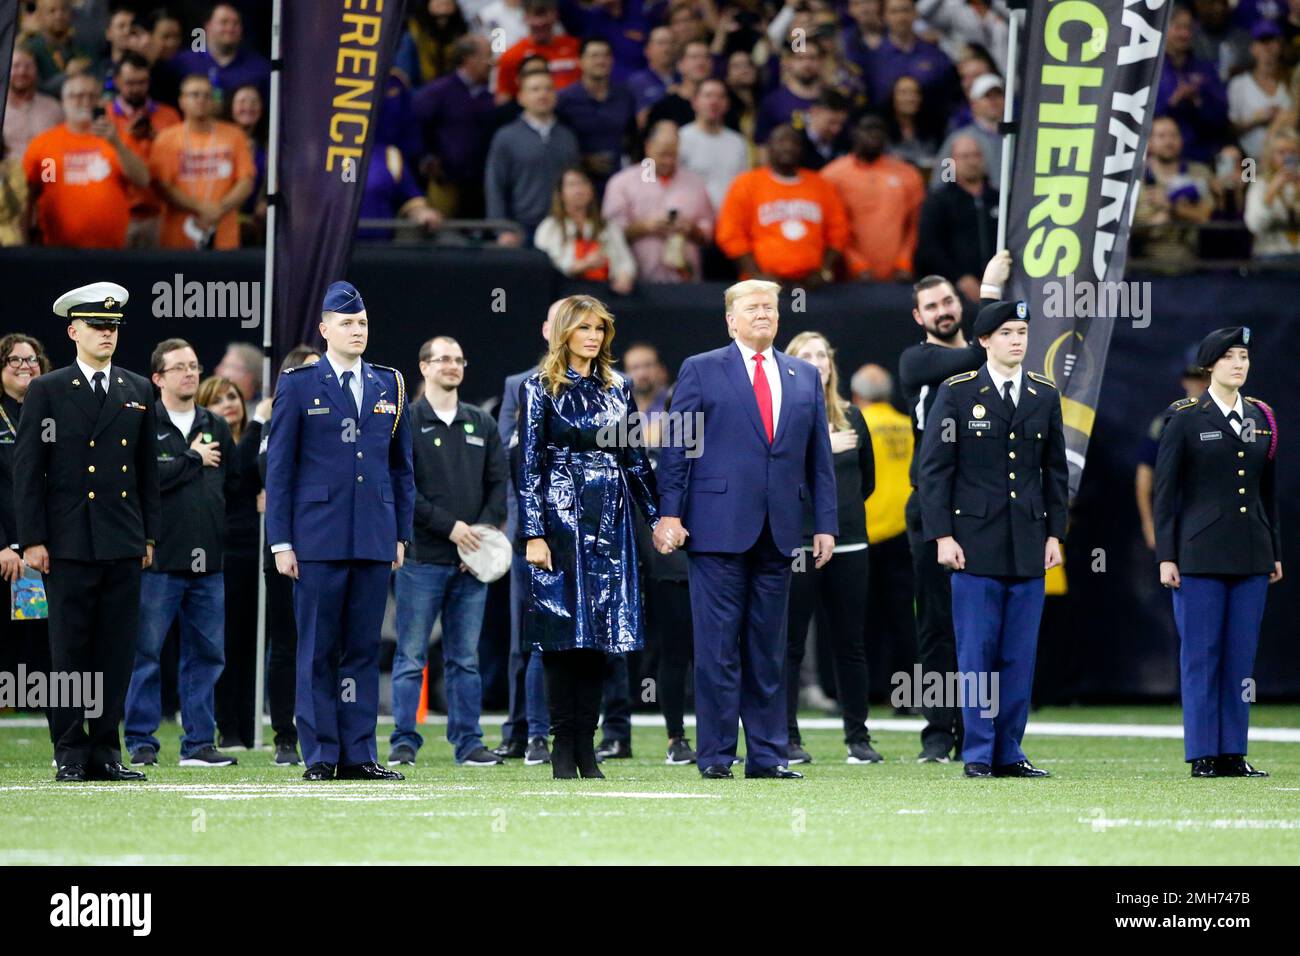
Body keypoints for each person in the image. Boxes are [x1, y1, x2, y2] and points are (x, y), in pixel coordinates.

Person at [655, 279, 837, 780]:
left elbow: (818, 458)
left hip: (780, 532)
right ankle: (715, 756)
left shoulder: (803, 376)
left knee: (768, 650)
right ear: (730, 319)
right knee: (716, 648)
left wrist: (825, 524)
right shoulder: (701, 368)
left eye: (771, 308)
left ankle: (768, 756)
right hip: (714, 530)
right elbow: (676, 448)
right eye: (752, 307)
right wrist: (669, 514)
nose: (764, 314)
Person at [264, 281, 415, 782]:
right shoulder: (299, 383)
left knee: (363, 650)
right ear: (324, 329)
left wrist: (399, 534)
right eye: (347, 323)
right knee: (317, 650)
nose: (357, 330)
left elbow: (401, 469)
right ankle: (321, 754)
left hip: (373, 535)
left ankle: (358, 753)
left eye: (363, 323)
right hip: (316, 537)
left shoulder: (389, 383)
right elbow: (280, 467)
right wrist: (281, 540)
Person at [14, 282, 161, 782]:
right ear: (73, 330)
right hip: (70, 541)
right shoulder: (48, 389)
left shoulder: (138, 388)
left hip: (121, 538)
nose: (107, 334)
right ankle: (71, 751)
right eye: (98, 326)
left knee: (116, 651)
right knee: (71, 649)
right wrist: (32, 537)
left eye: (114, 326)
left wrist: (148, 538)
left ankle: (106, 750)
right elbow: (29, 469)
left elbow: (147, 474)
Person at [917, 298, 1069, 779]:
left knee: (1018, 655)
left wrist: (1054, 533)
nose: (1017, 340)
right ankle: (979, 752)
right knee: (977, 651)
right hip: (972, 541)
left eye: (1022, 331)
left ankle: (1010, 751)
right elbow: (934, 470)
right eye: (1006, 333)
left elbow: (1055, 472)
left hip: (1027, 539)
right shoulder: (957, 392)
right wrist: (941, 534)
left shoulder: (1044, 393)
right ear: (983, 340)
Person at [517, 295, 660, 779]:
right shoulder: (539, 387)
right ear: (564, 332)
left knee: (601, 632)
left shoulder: (619, 387)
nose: (594, 336)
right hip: (560, 512)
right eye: (583, 328)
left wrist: (657, 518)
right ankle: (563, 745)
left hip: (610, 516)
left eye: (600, 328)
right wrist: (533, 533)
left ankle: (587, 746)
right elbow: (529, 466)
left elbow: (635, 458)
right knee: (562, 631)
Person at [1154, 327, 1282, 778]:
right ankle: (1204, 751)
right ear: (1210, 365)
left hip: (1251, 551)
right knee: (1202, 654)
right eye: (1229, 357)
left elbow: (1268, 492)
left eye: (1244, 356)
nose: (1239, 365)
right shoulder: (1185, 416)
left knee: (1241, 658)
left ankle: (1233, 751)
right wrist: (1167, 555)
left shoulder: (1261, 415)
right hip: (1199, 553)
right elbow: (1165, 492)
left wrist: (1274, 550)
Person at [898, 251, 1008, 762]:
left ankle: (981, 729)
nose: (943, 310)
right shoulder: (918, 360)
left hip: (985, 508)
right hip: (933, 508)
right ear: (918, 317)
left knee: (985, 623)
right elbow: (969, 361)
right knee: (937, 623)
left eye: (948, 300)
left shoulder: (997, 360)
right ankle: (938, 731)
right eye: (931, 306)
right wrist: (988, 294)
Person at [389, 336, 508, 768]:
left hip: (470, 562)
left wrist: (477, 536)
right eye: (442, 359)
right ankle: (404, 740)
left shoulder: (482, 422)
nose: (451, 366)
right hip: (422, 559)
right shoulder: (406, 421)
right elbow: (404, 490)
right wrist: (451, 528)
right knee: (411, 656)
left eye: (458, 359)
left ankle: (469, 743)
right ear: (423, 367)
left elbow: (499, 485)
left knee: (465, 659)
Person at [124, 339, 239, 768]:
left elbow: (231, 484)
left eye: (194, 365)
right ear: (158, 378)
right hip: (159, 559)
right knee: (146, 654)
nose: (190, 373)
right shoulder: (142, 423)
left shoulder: (216, 424)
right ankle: (140, 741)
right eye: (179, 368)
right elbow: (143, 482)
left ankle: (199, 744)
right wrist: (190, 459)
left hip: (209, 561)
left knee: (207, 656)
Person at [782, 331, 877, 765]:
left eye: (822, 354)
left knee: (851, 643)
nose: (816, 361)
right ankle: (786, 737)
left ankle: (858, 738)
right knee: (791, 643)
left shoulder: (854, 417)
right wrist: (821, 447)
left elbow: (867, 482)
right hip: (798, 542)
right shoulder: (781, 415)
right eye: (806, 355)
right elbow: (774, 477)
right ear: (790, 364)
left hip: (850, 541)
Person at [492, 305, 560, 765]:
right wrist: (519, 528)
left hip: (576, 531)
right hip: (530, 532)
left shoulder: (607, 388)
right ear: (545, 329)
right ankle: (522, 731)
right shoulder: (519, 386)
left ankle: (567, 730)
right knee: (525, 640)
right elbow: (506, 463)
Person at [258, 346, 322, 767]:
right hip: (285, 542)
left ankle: (326, 731)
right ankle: (285, 733)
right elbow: (267, 468)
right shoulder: (276, 414)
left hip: (325, 538)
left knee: (325, 645)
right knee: (285, 642)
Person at [851, 363, 918, 704]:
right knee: (904, 618)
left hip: (864, 532)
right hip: (903, 533)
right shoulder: (908, 426)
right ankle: (908, 695)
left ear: (856, 395)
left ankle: (867, 691)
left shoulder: (855, 426)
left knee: (861, 619)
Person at [22, 72, 150, 248]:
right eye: (76, 96)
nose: (85, 101)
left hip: (111, 249)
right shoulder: (45, 145)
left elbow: (142, 179)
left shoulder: (118, 139)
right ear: (63, 101)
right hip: (56, 248)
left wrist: (117, 145)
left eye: (91, 96)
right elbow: (37, 192)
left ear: (101, 101)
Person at [716, 123, 848, 283]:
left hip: (812, 286)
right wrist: (755, 274)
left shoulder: (821, 185)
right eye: (781, 141)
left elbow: (839, 232)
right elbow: (730, 234)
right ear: (769, 147)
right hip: (762, 287)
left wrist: (824, 270)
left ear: (802, 149)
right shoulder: (746, 183)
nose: (788, 147)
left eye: (794, 142)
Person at [0, 334, 53, 720]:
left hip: (47, 549)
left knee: (51, 645)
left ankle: (62, 737)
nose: (24, 366)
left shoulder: (54, 410)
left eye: (31, 360)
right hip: (6, 551)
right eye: (14, 360)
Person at [149, 73, 256, 251]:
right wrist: (201, 207)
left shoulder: (234, 135)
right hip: (178, 238)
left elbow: (246, 181)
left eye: (207, 95)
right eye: (194, 95)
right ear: (182, 101)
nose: (201, 100)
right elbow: (163, 185)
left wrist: (218, 209)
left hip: (224, 237)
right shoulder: (166, 139)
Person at [602, 121, 714, 283]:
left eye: (673, 155)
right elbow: (609, 234)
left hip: (686, 281)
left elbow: (708, 231)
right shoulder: (622, 182)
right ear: (648, 147)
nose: (668, 161)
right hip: (639, 282)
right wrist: (644, 227)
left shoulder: (695, 183)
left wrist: (691, 229)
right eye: (662, 154)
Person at [822, 113, 926, 281]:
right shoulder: (831, 176)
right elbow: (833, 229)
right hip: (847, 279)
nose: (874, 135)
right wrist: (856, 265)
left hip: (898, 276)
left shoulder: (908, 174)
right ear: (854, 133)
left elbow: (915, 224)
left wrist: (904, 262)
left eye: (879, 130)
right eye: (868, 129)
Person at [485, 69, 580, 244]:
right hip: (521, 228)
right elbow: (495, 185)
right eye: (535, 89)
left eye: (548, 89)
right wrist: (501, 230)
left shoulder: (568, 136)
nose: (543, 94)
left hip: (563, 227)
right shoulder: (506, 137)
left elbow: (576, 184)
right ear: (521, 97)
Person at [107, 51, 182, 248]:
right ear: (117, 82)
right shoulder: (104, 116)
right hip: (116, 213)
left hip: (159, 212)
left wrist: (156, 138)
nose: (136, 89)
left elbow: (182, 162)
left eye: (142, 83)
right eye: (130, 83)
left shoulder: (169, 116)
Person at [1135, 364, 1210, 551]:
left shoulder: (1229, 421)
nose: (1200, 383)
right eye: (1194, 377)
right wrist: (1148, 522)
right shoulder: (1166, 422)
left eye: (1204, 377)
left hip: (1215, 520)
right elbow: (1145, 475)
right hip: (1176, 520)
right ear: (1184, 380)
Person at [916, 133, 997, 295]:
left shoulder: (999, 198)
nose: (972, 161)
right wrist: (960, 278)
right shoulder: (938, 200)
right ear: (952, 162)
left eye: (976, 155)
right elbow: (929, 246)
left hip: (998, 286)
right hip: (955, 289)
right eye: (964, 156)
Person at [555, 37, 637, 195]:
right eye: (594, 56)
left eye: (605, 55)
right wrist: (584, 160)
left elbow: (632, 137)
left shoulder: (625, 96)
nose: (601, 61)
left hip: (618, 180)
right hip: (578, 183)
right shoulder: (564, 100)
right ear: (580, 61)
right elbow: (557, 142)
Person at [535, 166, 637, 293]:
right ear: (561, 193)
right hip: (566, 293)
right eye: (572, 184)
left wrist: (625, 276)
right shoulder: (550, 227)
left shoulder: (608, 226)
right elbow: (543, 266)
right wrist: (584, 264)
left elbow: (625, 260)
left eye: (584, 183)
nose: (579, 190)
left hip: (605, 292)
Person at [169, 2, 271, 104]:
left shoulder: (258, 67)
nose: (230, 28)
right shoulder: (182, 62)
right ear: (208, 26)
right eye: (224, 22)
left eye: (236, 23)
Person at [678, 77, 750, 211]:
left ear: (727, 104)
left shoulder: (738, 142)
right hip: (692, 219)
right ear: (695, 102)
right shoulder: (680, 138)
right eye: (708, 96)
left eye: (720, 97)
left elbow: (744, 186)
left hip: (729, 218)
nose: (714, 102)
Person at [493, 0, 581, 103]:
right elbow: (504, 98)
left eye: (544, 15)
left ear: (555, 15)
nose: (540, 23)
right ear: (524, 17)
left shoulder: (575, 47)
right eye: (535, 15)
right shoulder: (511, 56)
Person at [1228, 21, 1292, 161]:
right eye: (1263, 41)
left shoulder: (1291, 81)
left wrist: (1283, 118)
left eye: (1273, 41)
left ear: (1280, 46)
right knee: (1250, 180)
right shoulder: (1238, 84)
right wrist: (1257, 120)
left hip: (1287, 160)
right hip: (1250, 159)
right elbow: (1231, 128)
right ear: (1253, 47)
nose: (1268, 47)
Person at [1244, 128, 1300, 259]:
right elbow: (1255, 225)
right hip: (1271, 255)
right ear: (1271, 156)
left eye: (1293, 152)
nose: (1288, 157)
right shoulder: (1260, 185)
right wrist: (1271, 192)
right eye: (1281, 152)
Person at [4, 46, 64, 161]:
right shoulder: (2, 109)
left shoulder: (54, 108)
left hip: (47, 174)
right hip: (8, 174)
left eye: (28, 66)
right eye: (16, 66)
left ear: (37, 71)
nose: (22, 72)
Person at [23, 0, 94, 97]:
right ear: (40, 16)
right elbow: (34, 90)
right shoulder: (30, 49)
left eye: (64, 10)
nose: (59, 15)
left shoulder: (82, 45)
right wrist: (67, 75)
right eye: (52, 11)